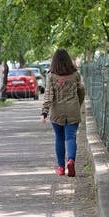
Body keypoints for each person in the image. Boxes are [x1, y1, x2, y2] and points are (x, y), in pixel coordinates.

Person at [40, 48, 85, 177]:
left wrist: (44, 112)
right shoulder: (75, 74)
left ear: (54, 61)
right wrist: (78, 104)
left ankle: (61, 167)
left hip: (57, 112)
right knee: (71, 137)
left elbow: (48, 95)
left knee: (59, 138)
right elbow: (81, 91)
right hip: (73, 110)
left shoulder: (51, 76)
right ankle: (71, 160)